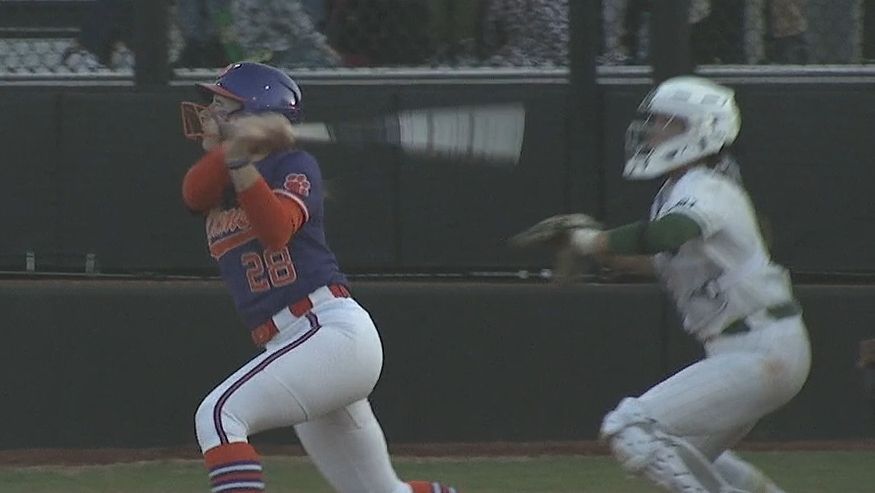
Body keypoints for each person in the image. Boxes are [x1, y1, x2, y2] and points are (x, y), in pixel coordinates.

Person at [511, 76, 811, 493]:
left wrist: (591, 240)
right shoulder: (678, 190)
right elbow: (662, 259)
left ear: (703, 130)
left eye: (668, 122)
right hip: (751, 348)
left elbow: (667, 234)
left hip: (762, 349)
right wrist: (593, 249)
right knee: (686, 448)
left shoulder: (705, 185)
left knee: (627, 427)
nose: (653, 130)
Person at [180, 61, 458, 493]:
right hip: (295, 346)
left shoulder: (295, 163)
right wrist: (236, 153)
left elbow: (275, 231)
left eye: (221, 105)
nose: (207, 114)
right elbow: (192, 192)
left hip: (329, 331)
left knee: (219, 416)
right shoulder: (220, 178)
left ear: (253, 113)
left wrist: (243, 158)